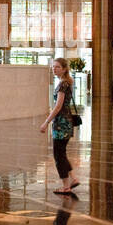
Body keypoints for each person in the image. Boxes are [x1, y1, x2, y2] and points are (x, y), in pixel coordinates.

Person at [39, 57, 80, 194]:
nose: (54, 69)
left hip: (62, 123)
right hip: (65, 122)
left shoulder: (63, 84)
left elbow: (58, 107)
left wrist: (46, 122)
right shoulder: (66, 82)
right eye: (53, 66)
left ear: (64, 69)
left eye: (57, 67)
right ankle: (73, 178)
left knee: (58, 155)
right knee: (61, 153)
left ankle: (66, 186)